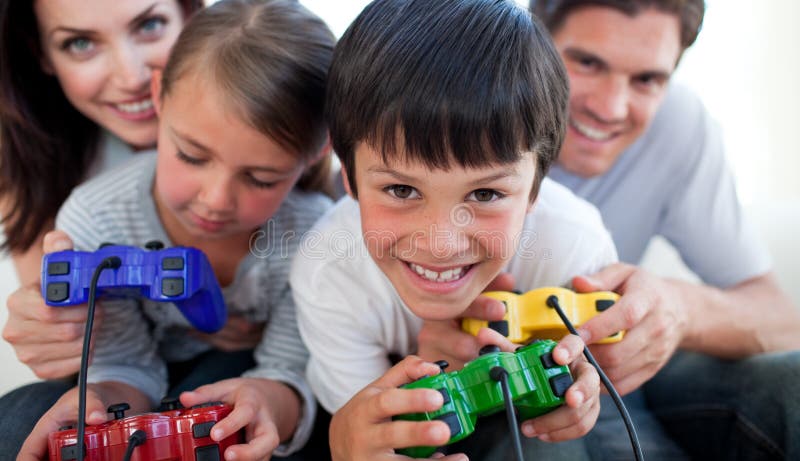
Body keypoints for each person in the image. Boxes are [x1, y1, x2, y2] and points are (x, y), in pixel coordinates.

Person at [422, 1, 800, 459]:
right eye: (587, 62)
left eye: (647, 80)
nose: (610, 107)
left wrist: (678, 310)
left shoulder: (679, 124)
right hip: (494, 383)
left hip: (630, 371)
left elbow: (783, 320)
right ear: (531, 40)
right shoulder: (443, 108)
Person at [290, 1, 614, 459]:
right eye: (401, 190)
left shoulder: (574, 246)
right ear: (351, 181)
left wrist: (584, 392)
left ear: (536, 189)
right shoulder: (328, 272)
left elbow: (602, 376)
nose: (441, 243)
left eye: (484, 195)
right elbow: (378, 435)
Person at [13, 1, 335, 459]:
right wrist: (98, 408)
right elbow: (123, 364)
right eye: (191, 156)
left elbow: (289, 371)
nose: (216, 200)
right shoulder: (97, 217)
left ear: (318, 151)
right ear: (159, 94)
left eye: (261, 178)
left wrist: (268, 403)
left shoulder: (316, 233)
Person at [0, 0, 266, 386]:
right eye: (79, 44)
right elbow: (85, 347)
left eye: (150, 25)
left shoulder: (272, 106)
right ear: (39, 52)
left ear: (191, 15)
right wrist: (52, 331)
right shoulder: (28, 165)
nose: (131, 76)